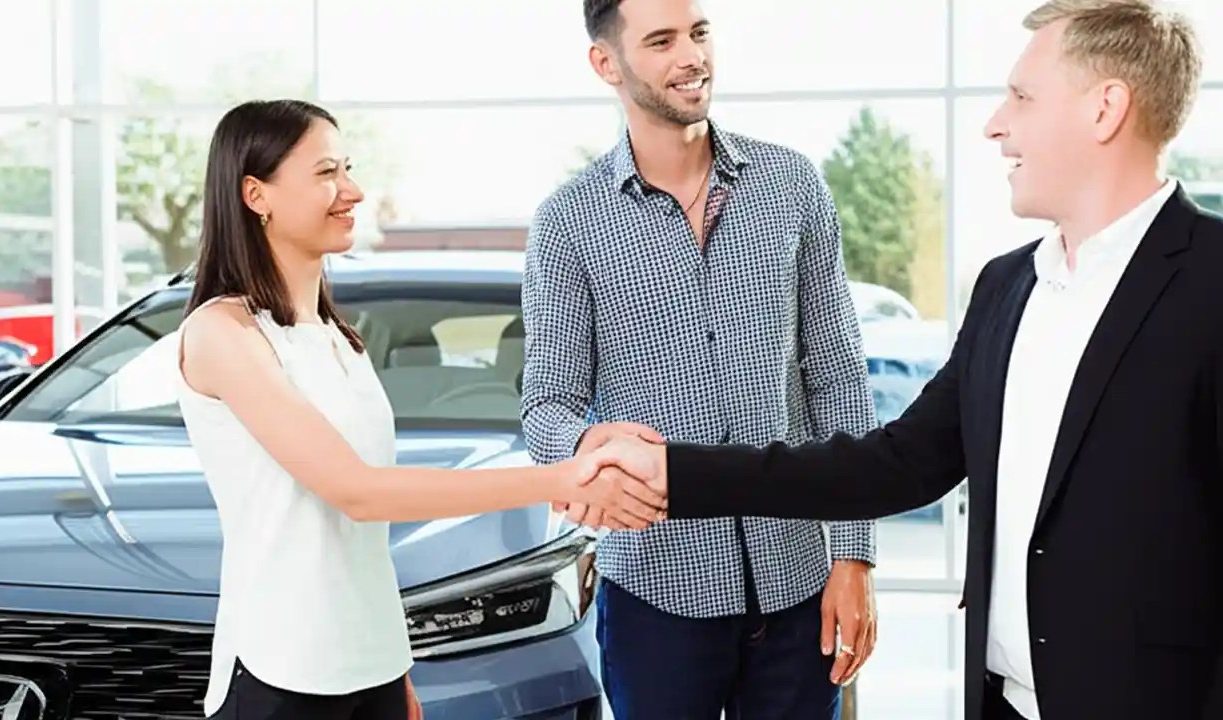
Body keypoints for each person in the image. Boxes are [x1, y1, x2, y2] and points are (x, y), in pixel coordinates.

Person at [592, 2, 1222, 719]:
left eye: (1022, 97)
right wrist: (672, 472)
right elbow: (896, 463)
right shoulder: (1008, 286)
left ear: (1105, 108)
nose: (996, 124)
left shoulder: (1211, 285)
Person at [175, 99, 667, 720]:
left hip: (370, 665)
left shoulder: (336, 336)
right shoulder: (223, 333)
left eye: (347, 168)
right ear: (256, 194)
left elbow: (361, 540)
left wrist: (395, 664)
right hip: (283, 671)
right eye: (326, 173)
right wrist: (564, 477)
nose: (350, 190)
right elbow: (359, 492)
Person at [520, 0, 880, 716]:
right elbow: (546, 408)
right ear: (606, 63)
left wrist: (855, 555)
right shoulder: (568, 221)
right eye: (661, 41)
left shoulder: (793, 186)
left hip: (798, 578)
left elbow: (838, 378)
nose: (692, 56)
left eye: (699, 32)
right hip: (655, 587)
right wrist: (587, 443)